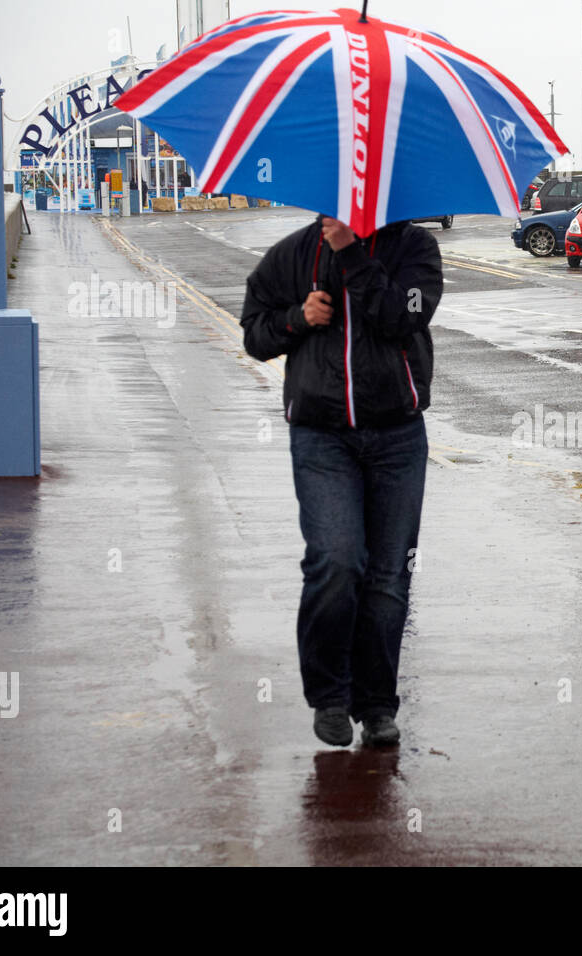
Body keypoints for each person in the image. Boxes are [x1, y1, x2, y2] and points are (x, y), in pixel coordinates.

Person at [241, 214, 442, 748]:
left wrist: (353, 256)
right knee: (336, 559)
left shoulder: (413, 247)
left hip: (397, 437)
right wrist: (295, 319)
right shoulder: (292, 254)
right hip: (321, 436)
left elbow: (405, 317)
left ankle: (376, 704)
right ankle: (329, 696)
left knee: (387, 576)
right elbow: (255, 335)